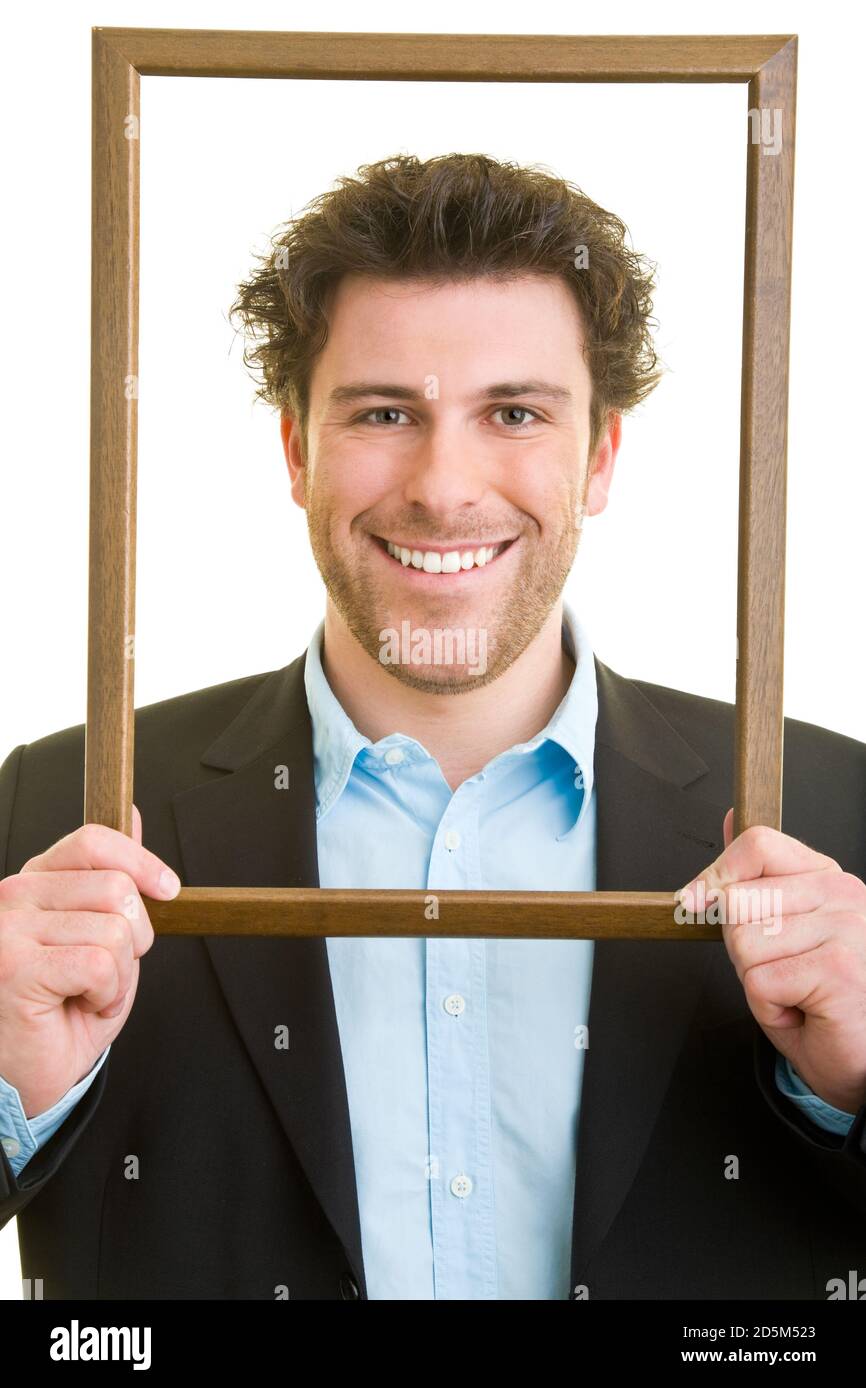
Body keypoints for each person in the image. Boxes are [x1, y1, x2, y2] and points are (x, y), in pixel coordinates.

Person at [1, 153, 864, 1301]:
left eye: (511, 412)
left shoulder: (834, 811)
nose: (443, 486)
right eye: (383, 412)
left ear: (598, 456)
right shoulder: (56, 811)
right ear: (296, 449)